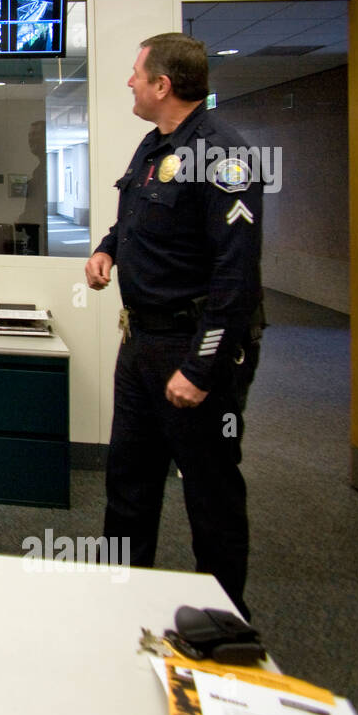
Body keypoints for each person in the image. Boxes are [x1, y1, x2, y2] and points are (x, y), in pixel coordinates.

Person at [85, 33, 264, 619]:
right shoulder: (152, 145)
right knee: (128, 482)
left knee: (209, 491)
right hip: (139, 343)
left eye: (137, 73)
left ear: (163, 85)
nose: (129, 82)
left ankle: (221, 622)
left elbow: (234, 279)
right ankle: (123, 602)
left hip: (193, 347)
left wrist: (202, 368)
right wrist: (108, 249)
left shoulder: (224, 155)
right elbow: (136, 218)